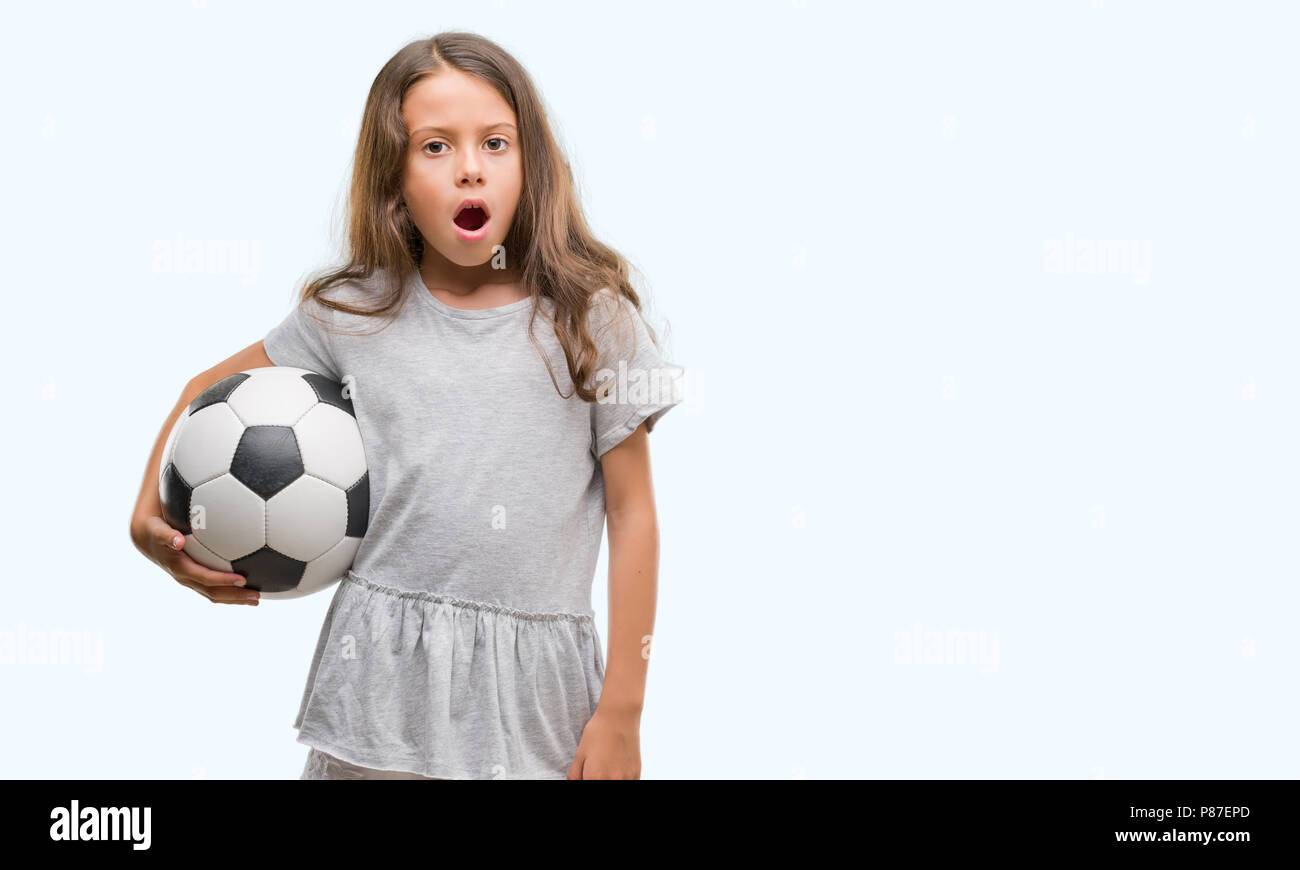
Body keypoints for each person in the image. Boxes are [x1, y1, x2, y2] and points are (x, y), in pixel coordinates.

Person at [128, 31, 685, 780]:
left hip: (535, 711)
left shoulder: (591, 319)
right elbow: (202, 392)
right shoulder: (353, 314)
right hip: (377, 699)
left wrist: (623, 707)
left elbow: (634, 514)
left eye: (494, 143)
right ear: (393, 179)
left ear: (532, 164)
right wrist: (149, 520)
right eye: (434, 147)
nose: (467, 170)